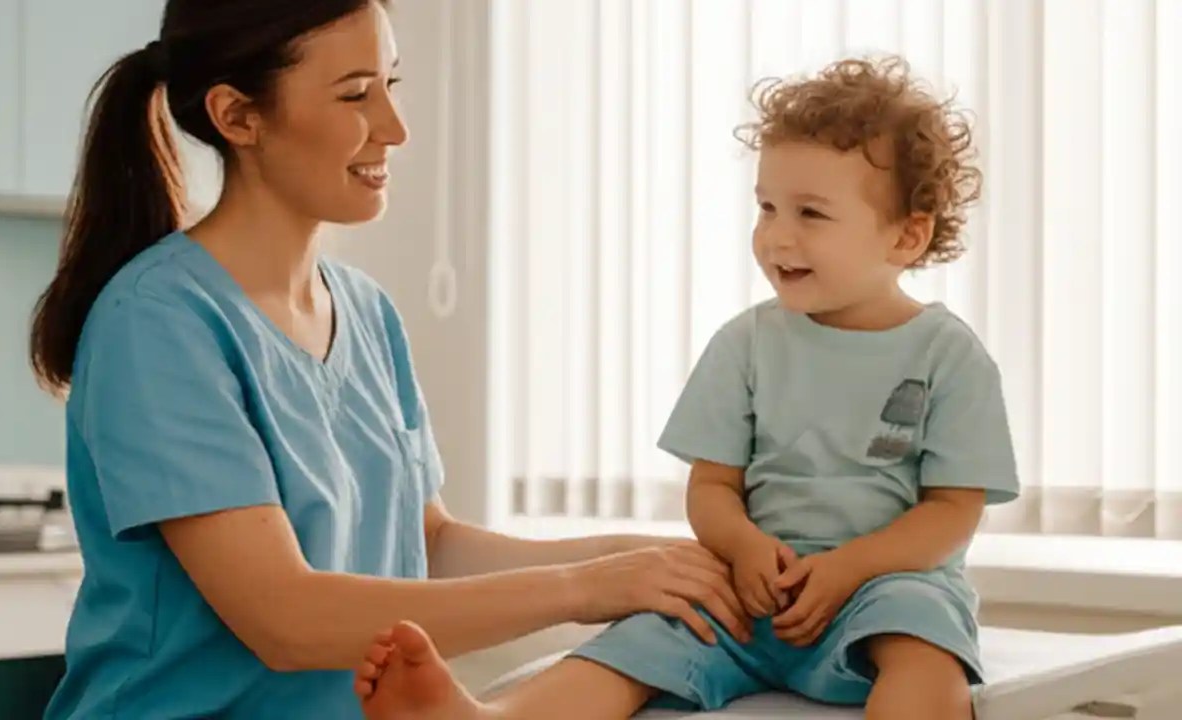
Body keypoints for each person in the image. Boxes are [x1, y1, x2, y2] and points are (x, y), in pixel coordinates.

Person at [27, 2, 750, 718]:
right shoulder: (158, 322)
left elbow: (427, 543)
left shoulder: (366, 311)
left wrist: (642, 560)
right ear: (238, 117)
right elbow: (286, 619)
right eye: (354, 95)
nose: (395, 129)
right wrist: (587, 589)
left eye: (390, 86)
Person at [354, 55, 1020, 720]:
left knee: (923, 645)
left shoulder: (947, 355)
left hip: (884, 586)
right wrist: (743, 546)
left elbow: (951, 512)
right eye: (766, 207)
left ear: (907, 236)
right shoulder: (747, 344)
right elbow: (713, 486)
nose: (775, 236)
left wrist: (851, 569)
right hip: (752, 588)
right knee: (646, 635)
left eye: (811, 214)